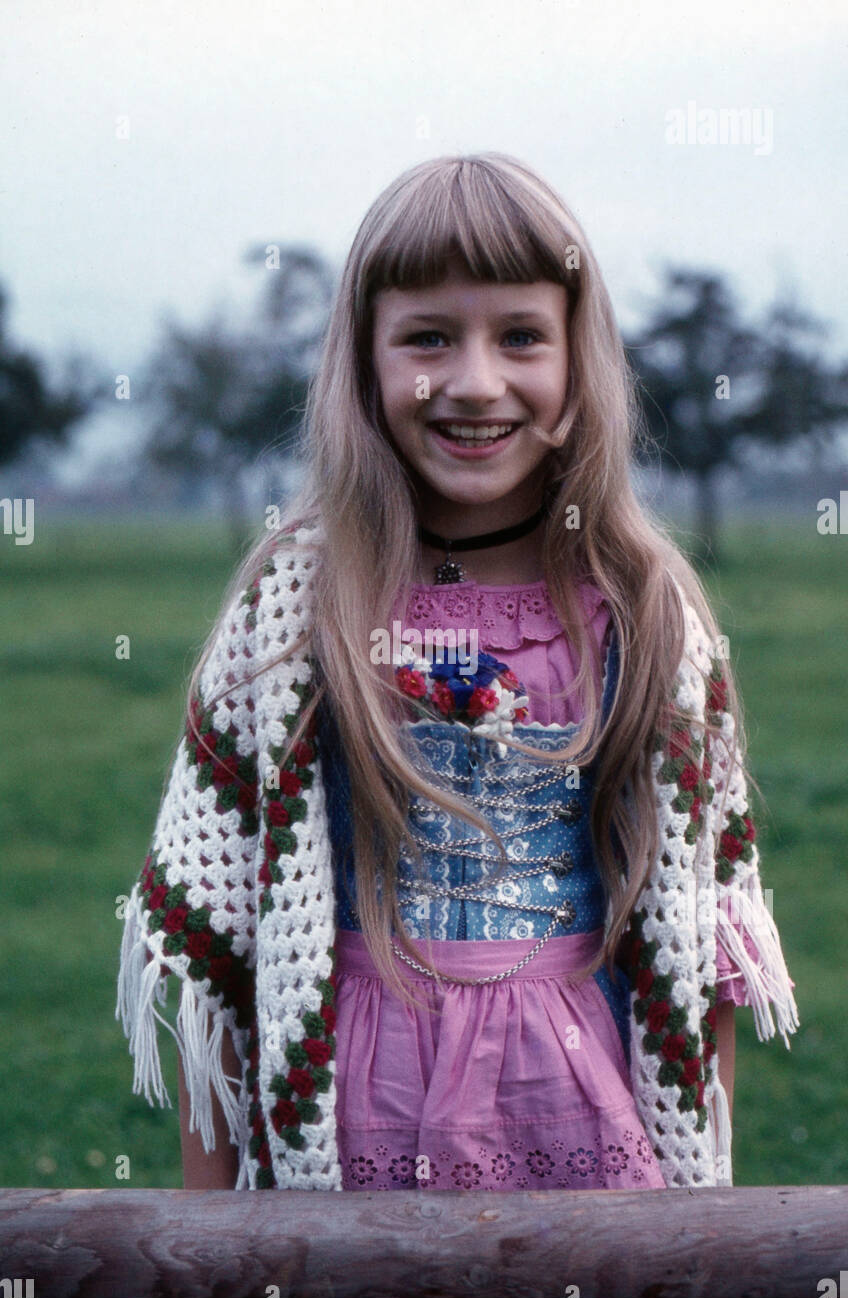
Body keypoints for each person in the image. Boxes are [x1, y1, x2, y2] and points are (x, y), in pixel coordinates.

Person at [117, 152, 798, 1193]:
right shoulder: (296, 605)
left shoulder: (645, 607)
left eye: (520, 336)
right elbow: (218, 957)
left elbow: (702, 956)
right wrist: (217, 1241)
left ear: (578, 362)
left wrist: (699, 1211)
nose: (475, 382)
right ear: (364, 363)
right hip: (355, 1107)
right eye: (428, 337)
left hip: (578, 1099)